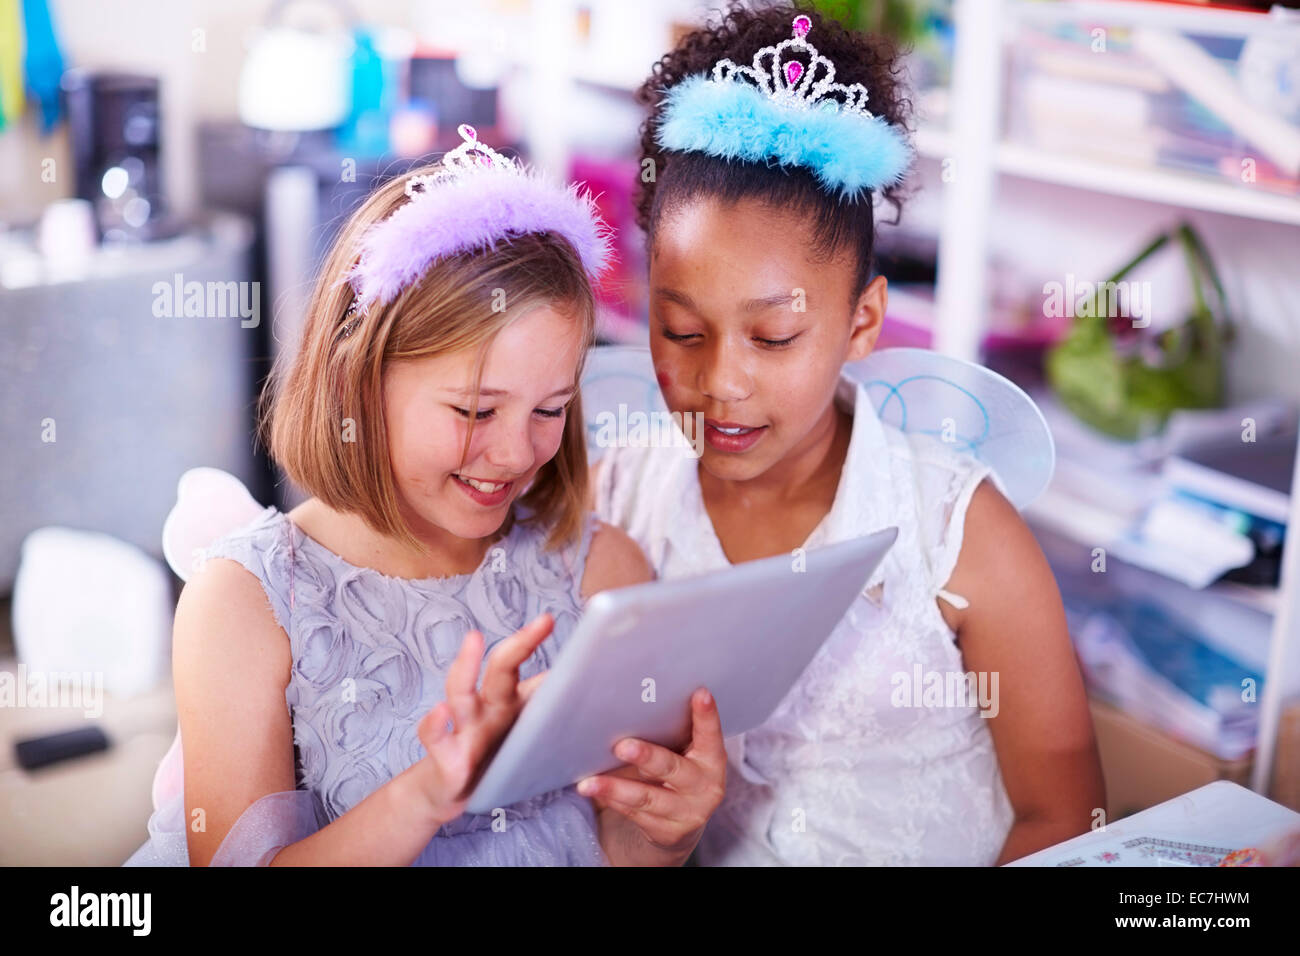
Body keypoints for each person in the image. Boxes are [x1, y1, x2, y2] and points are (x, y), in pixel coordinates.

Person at [125, 127, 726, 867]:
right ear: (361, 381)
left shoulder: (603, 571)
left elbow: (613, 850)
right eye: (475, 411)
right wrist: (430, 791)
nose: (514, 454)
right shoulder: (246, 605)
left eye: (549, 409)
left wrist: (668, 829)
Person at [593, 4, 1105, 865]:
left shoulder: (955, 531)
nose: (722, 382)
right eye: (682, 332)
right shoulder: (616, 501)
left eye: (774, 338)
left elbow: (1065, 813)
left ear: (863, 321)